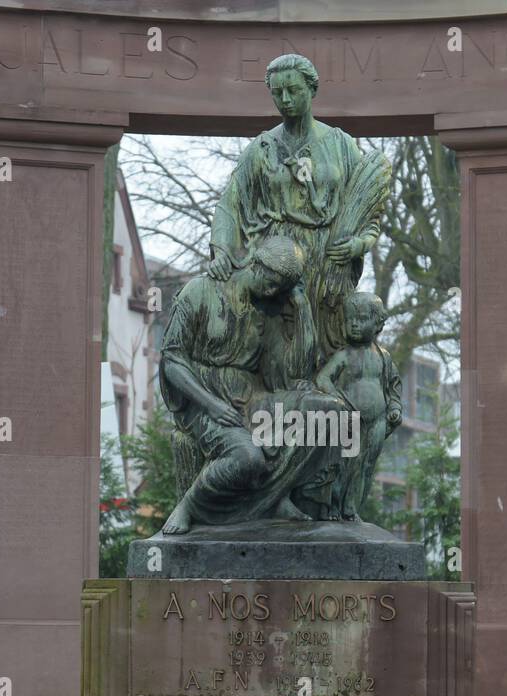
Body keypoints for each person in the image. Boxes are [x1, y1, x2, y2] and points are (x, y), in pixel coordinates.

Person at [159, 236, 345, 534]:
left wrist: (302, 309)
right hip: (205, 399)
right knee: (247, 459)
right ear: (256, 264)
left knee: (328, 414)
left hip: (251, 397)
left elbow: (290, 371)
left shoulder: (266, 309)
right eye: (271, 281)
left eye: (280, 287)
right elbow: (172, 360)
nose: (273, 291)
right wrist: (211, 405)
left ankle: (273, 495)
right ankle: (189, 505)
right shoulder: (200, 290)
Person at [207, 53, 387, 355]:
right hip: (276, 260)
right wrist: (222, 250)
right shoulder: (260, 148)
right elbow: (231, 203)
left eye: (294, 90)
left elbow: (370, 207)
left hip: (329, 260)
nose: (285, 99)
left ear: (312, 90)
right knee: (280, 343)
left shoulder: (342, 144)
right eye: (277, 93)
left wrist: (358, 245)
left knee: (327, 343)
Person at [314, 291, 403, 520]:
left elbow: (393, 386)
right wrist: (338, 401)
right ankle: (332, 507)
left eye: (361, 319)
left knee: (366, 466)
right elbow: (323, 379)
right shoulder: (343, 355)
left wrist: (395, 408)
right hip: (349, 419)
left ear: (377, 324)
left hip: (378, 420)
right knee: (342, 466)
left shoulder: (384, 357)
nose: (353, 325)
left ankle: (352, 510)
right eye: (349, 319)